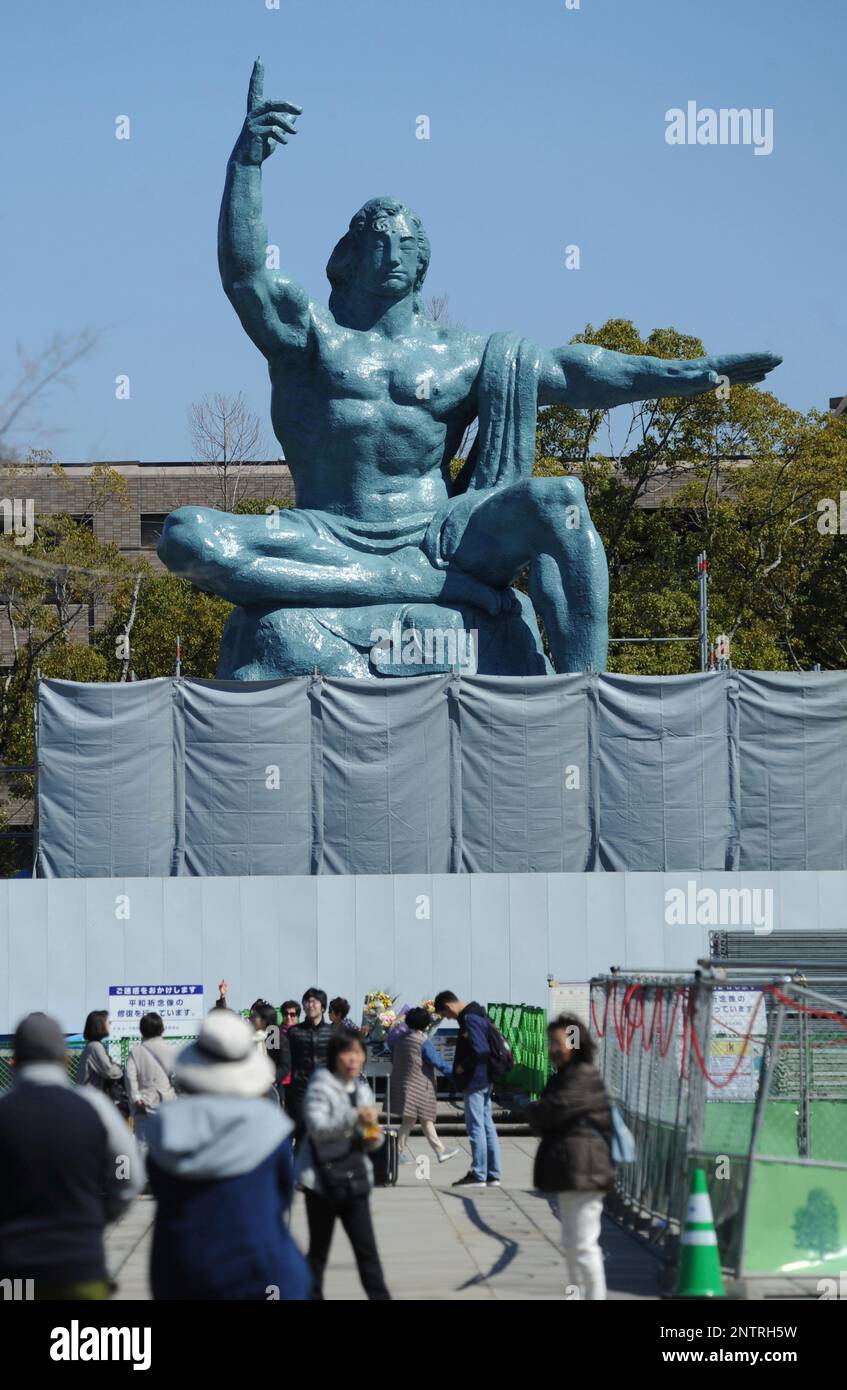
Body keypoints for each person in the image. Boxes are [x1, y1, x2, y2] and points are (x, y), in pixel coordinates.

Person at [145, 1009, 311, 1301]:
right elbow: (283, 1198)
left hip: (182, 1273)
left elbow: (158, 1185)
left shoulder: (165, 1126)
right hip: (263, 1273)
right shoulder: (271, 1128)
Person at [0, 1012, 143, 1299]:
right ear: (64, 1059)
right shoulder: (95, 1107)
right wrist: (102, 1213)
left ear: (13, 1062)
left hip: (15, 1276)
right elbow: (127, 1172)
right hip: (81, 1267)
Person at [296, 1029, 390, 1301]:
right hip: (321, 1182)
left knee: (367, 1252)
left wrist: (374, 1135)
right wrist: (354, 1117)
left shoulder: (363, 1090)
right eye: (347, 1053)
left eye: (359, 1053)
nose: (353, 1059)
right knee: (318, 1253)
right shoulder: (321, 1084)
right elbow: (317, 1128)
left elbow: (370, 1140)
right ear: (335, 1056)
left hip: (355, 1179)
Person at [527, 1014, 615, 1301]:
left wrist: (533, 1110)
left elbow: (550, 1112)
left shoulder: (582, 1076)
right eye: (550, 1041)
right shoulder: (567, 1075)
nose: (553, 1048)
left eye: (558, 1041)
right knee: (572, 1243)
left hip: (585, 1169)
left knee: (583, 1245)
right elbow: (545, 1115)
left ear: (576, 1042)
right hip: (573, 1169)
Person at [434, 990, 502, 1189]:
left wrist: (463, 1065)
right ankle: (493, 1174)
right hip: (486, 1078)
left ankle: (479, 1173)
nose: (448, 1018)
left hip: (475, 1079)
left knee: (476, 1127)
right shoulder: (478, 1014)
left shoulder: (470, 1019)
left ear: (448, 1006)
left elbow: (481, 1050)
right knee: (487, 1124)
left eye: (446, 1014)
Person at [390, 1007, 459, 1166]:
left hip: (404, 1084)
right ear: (426, 1024)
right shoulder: (423, 1041)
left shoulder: (400, 1039)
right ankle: (439, 1150)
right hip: (420, 1086)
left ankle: (398, 1152)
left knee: (411, 1120)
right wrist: (455, 1075)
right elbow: (438, 1062)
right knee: (423, 1118)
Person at [125, 1012, 176, 1152]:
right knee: (166, 1143)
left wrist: (136, 1098)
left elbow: (130, 1077)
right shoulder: (170, 1050)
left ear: (142, 1030)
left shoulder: (136, 1051)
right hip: (167, 1103)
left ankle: (143, 1174)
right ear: (161, 1028)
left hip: (143, 1104)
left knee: (142, 1145)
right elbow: (178, 1076)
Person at [287, 988, 334, 1126]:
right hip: (301, 1090)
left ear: (323, 1007)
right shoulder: (294, 1032)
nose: (310, 1005)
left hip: (326, 1089)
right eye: (307, 1001)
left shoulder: (333, 1033)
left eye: (314, 1002)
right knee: (301, 1131)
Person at [76, 1009, 128, 1115]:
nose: (110, 1024)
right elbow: (109, 1070)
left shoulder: (93, 1045)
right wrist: (123, 1070)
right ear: (99, 1025)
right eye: (107, 1022)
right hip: (91, 1101)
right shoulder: (95, 1047)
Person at [250, 999, 291, 1106]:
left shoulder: (274, 1038)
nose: (250, 1019)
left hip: (271, 1090)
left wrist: (272, 1077)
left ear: (264, 1021)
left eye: (254, 1017)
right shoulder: (248, 1037)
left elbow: (284, 1065)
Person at [279, 999, 300, 1109]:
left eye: (292, 1014)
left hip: (297, 1080)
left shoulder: (303, 1032)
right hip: (280, 1079)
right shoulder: (274, 1032)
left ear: (298, 1016)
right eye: (286, 1014)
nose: (288, 1017)